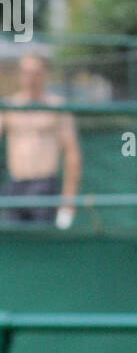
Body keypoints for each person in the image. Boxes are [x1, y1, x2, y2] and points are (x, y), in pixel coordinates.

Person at [0, 53, 81, 227]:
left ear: (45, 74)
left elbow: (72, 154)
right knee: (13, 247)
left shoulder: (57, 106)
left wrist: (69, 201)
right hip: (14, 187)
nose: (30, 78)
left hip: (44, 188)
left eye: (35, 72)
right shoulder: (9, 106)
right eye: (25, 72)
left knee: (42, 246)